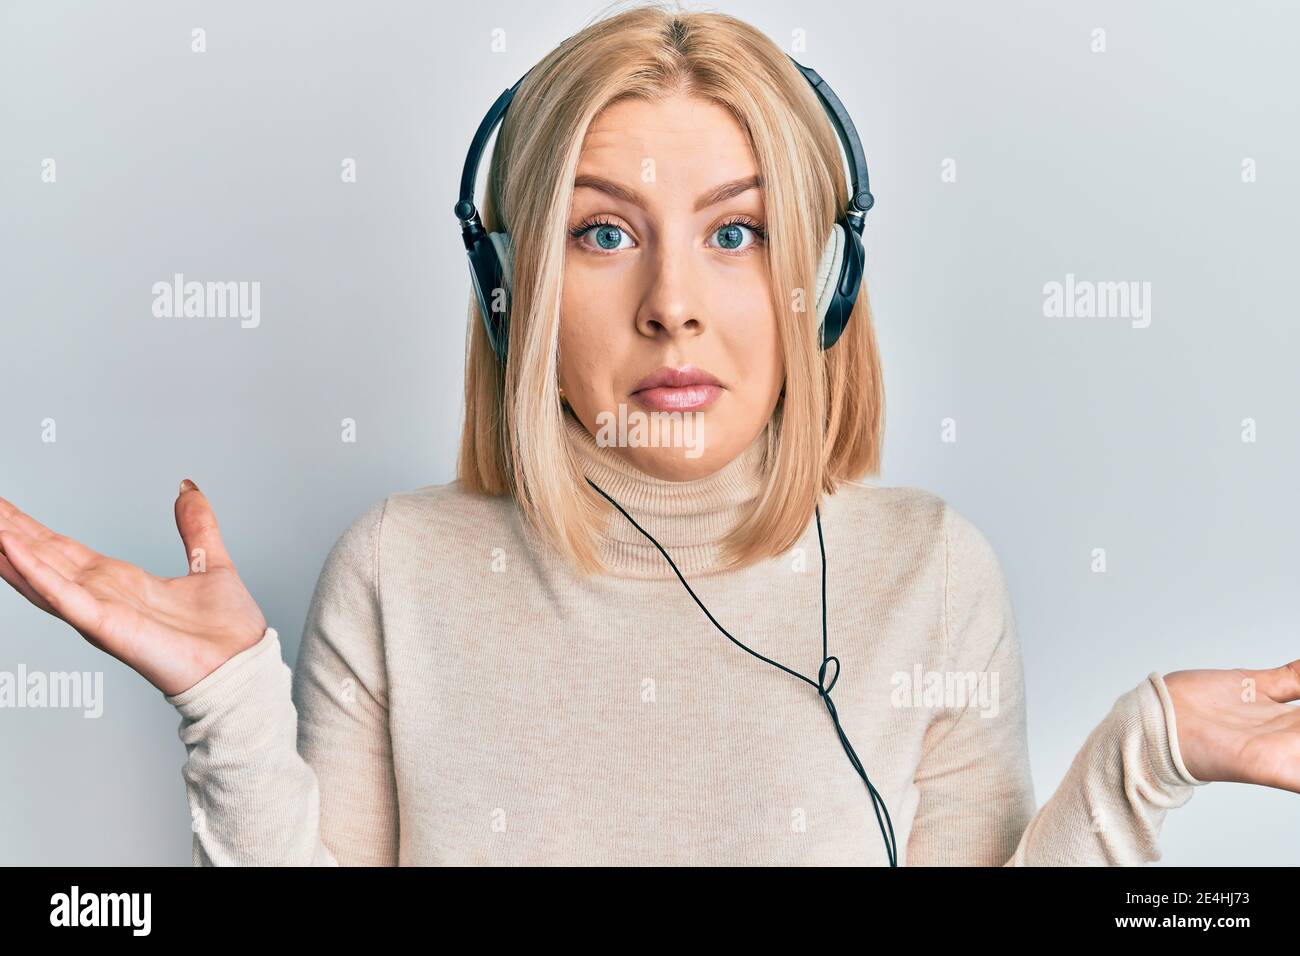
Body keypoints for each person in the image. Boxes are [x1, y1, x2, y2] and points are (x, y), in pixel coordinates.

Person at [1, 2, 1296, 866]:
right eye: (603, 233)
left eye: (736, 234)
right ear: (515, 296)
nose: (673, 306)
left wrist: (1145, 757)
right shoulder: (399, 566)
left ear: (821, 282)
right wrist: (226, 707)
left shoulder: (930, 571)